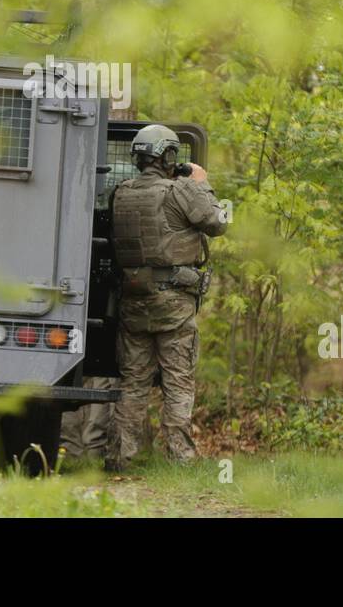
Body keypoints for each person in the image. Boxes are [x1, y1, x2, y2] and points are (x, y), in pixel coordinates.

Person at [106, 125, 227, 470]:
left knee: (133, 382)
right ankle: (181, 459)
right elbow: (218, 221)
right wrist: (201, 182)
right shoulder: (179, 191)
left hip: (133, 301)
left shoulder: (121, 192)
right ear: (168, 155)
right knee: (177, 379)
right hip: (173, 303)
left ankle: (122, 457)